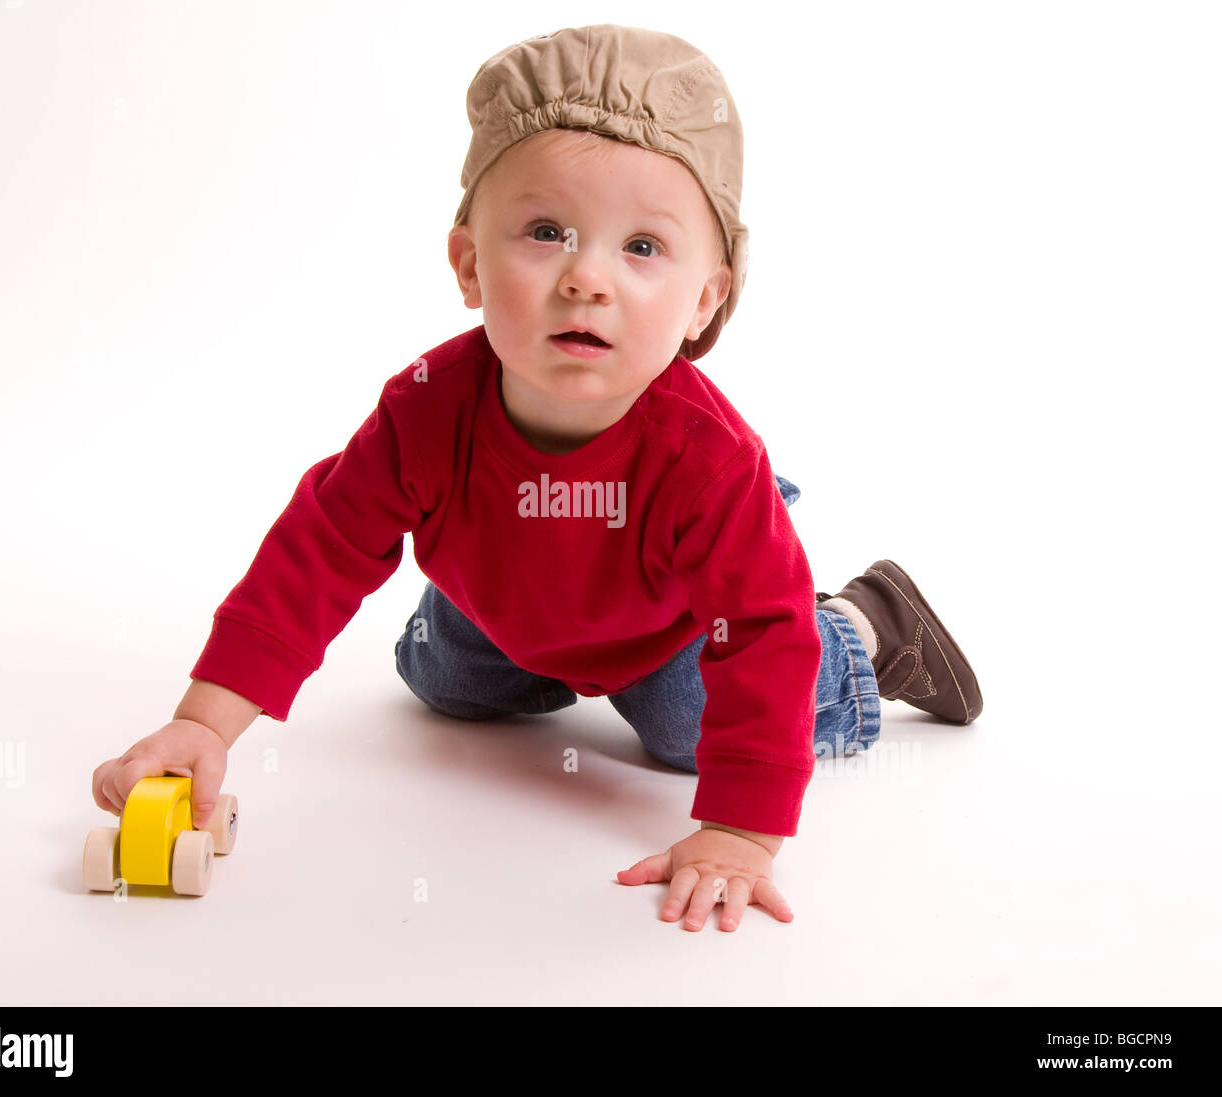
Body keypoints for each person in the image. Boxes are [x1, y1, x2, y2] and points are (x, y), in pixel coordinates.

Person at [91, 24, 982, 933]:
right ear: (471, 264)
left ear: (705, 301)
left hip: (668, 617)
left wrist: (740, 832)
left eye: (642, 248)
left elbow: (756, 630)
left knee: (686, 729)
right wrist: (204, 722)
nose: (587, 277)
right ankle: (528, 648)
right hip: (507, 601)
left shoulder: (705, 459)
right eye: (547, 232)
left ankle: (865, 625)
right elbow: (322, 546)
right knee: (445, 682)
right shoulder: (427, 408)